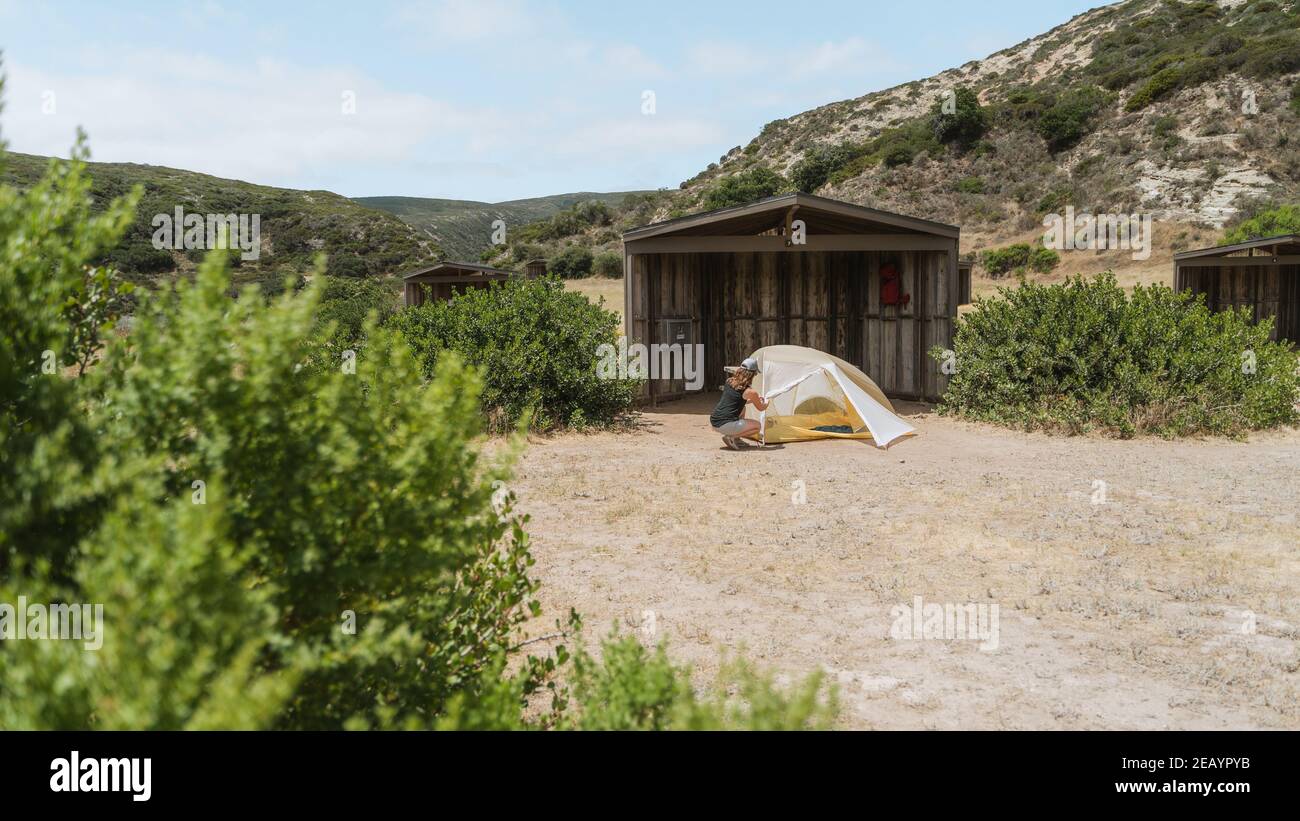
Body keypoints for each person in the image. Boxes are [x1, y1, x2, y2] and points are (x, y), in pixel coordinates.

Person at [709, 357, 769, 450]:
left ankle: (736, 438)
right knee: (757, 427)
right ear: (752, 374)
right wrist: (767, 401)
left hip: (715, 421)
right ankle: (731, 437)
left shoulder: (729, 381)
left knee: (743, 408)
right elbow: (761, 408)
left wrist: (753, 400)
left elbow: (736, 400)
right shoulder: (750, 392)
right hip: (724, 424)